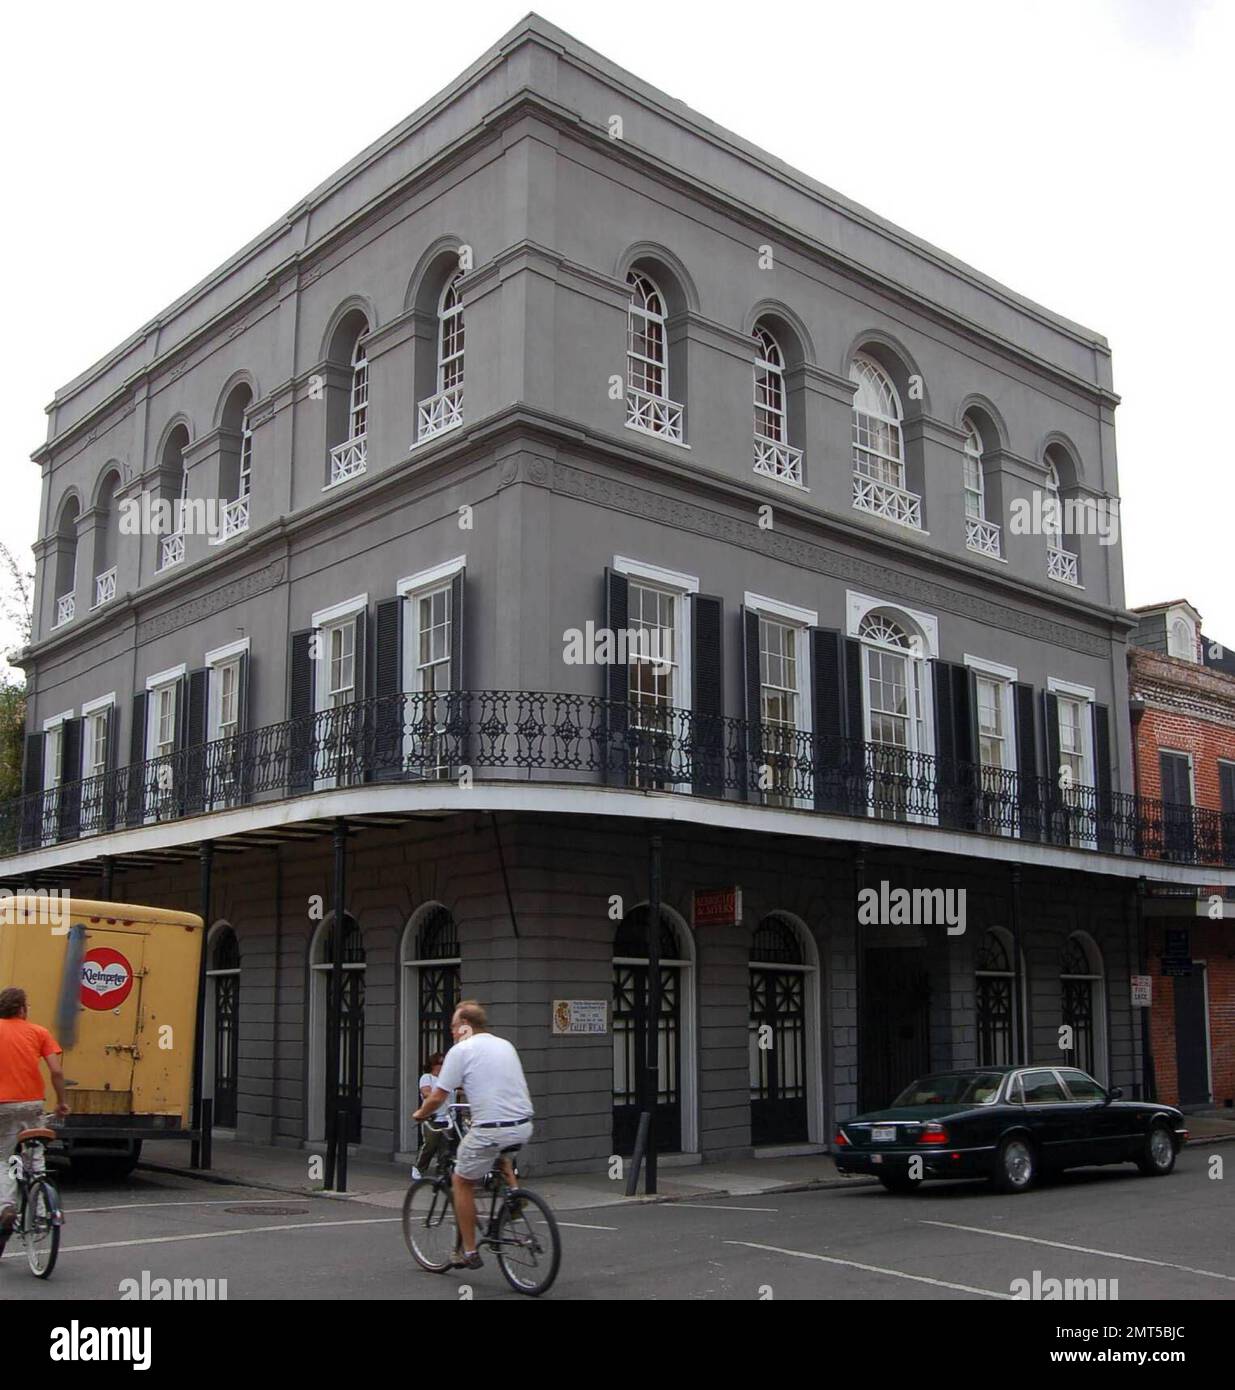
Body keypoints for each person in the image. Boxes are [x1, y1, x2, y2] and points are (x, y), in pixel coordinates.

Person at [412, 1000, 533, 1271]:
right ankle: (513, 1195)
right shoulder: (504, 1045)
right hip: (523, 1124)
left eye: (454, 1026)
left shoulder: (461, 1050)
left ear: (466, 1026)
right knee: (500, 1153)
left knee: (461, 1181)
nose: (452, 1032)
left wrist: (420, 1113)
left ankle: (468, 1251)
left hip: (490, 1128)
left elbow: (438, 1097)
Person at [0, 987, 69, 1249]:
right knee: (34, 1156)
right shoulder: (39, 1032)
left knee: (3, 1159)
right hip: (32, 1105)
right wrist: (62, 1102)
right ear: (21, 1009)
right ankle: (41, 1211)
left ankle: (6, 1208)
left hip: (2, 1106)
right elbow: (56, 1071)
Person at [411, 1051, 454, 1180]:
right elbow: (426, 1093)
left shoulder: (449, 1081)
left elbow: (460, 1092)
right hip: (432, 1118)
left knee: (445, 1148)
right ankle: (419, 1167)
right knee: (429, 1145)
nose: (443, 1066)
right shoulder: (427, 1077)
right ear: (433, 1065)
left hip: (448, 1118)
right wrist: (439, 1096)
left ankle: (442, 1172)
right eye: (440, 1063)